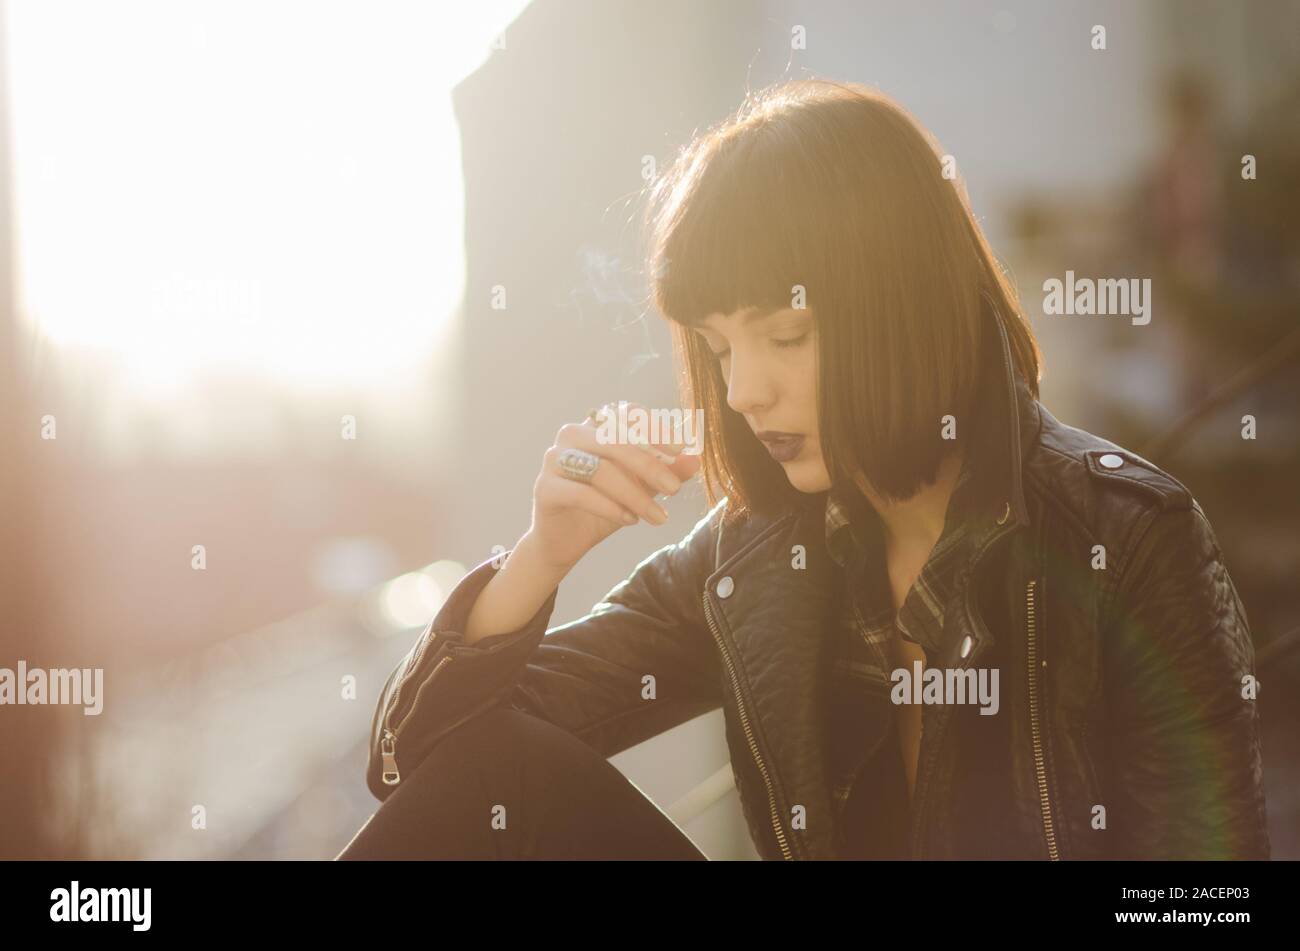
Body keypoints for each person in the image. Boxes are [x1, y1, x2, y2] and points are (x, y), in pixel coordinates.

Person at [338, 79, 1269, 861]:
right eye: (720, 348)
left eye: (785, 335)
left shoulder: (1125, 534)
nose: (742, 392)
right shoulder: (754, 554)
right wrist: (542, 557)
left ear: (900, 306)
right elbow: (425, 765)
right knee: (504, 771)